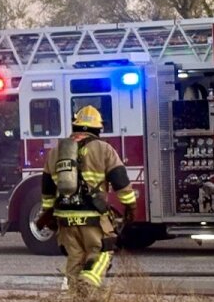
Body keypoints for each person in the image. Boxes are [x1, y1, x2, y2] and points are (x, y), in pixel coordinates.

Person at [34, 105, 137, 290]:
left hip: (65, 219)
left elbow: (47, 189)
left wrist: (48, 213)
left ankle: (77, 301)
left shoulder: (56, 152)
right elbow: (120, 181)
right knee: (102, 252)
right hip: (93, 217)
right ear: (98, 129)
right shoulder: (104, 149)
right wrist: (130, 206)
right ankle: (88, 286)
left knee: (75, 258)